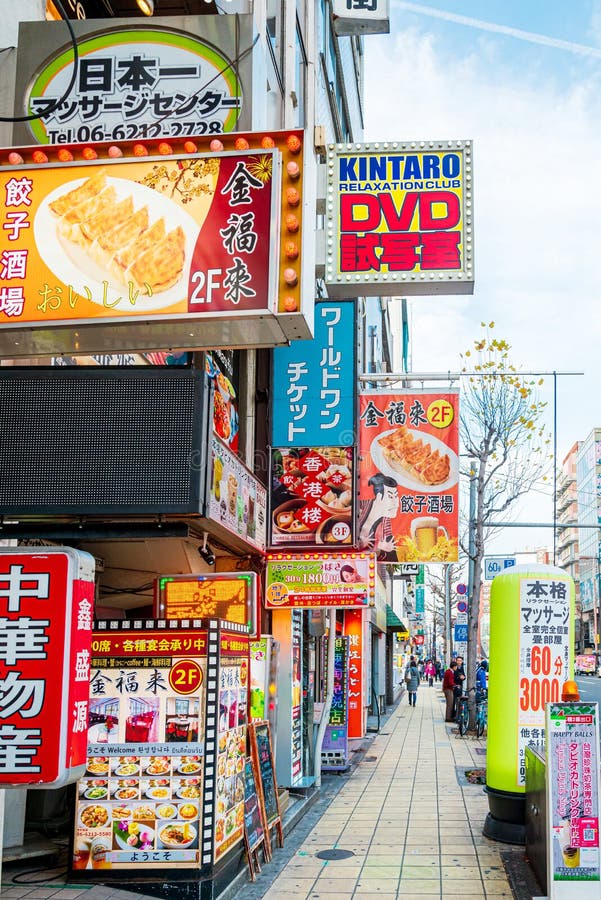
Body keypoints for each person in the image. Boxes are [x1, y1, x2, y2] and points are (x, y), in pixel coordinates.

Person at [358, 472, 400, 560]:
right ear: (379, 496)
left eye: (396, 496)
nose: (396, 503)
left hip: (367, 560)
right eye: (390, 497)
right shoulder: (361, 505)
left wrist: (382, 547)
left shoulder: (386, 521)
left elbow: (386, 547)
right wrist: (358, 542)